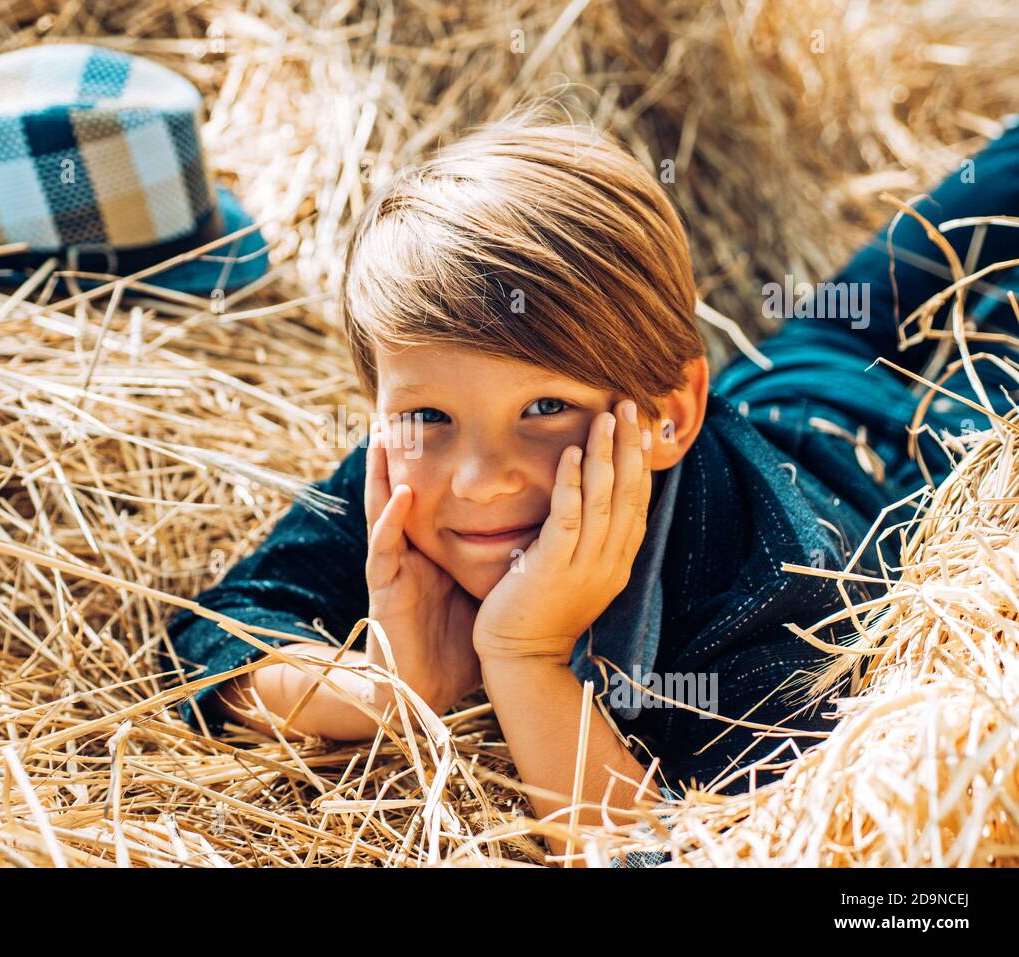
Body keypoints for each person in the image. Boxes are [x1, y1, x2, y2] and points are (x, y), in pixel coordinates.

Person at [165, 101, 1019, 860]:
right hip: (786, 375)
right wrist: (390, 692)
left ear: (666, 414)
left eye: (544, 405)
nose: (481, 478)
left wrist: (525, 658)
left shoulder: (766, 592)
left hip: (923, 435)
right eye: (427, 417)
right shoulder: (410, 470)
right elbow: (207, 639)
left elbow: (671, 852)